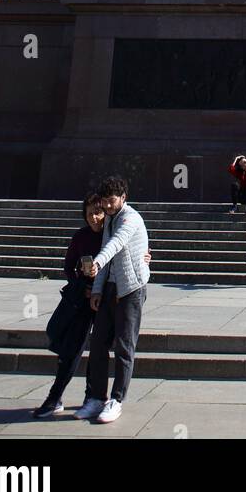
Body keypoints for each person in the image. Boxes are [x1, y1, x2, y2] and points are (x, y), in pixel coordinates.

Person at [79, 176, 151, 424]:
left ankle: (117, 399)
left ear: (123, 198)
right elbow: (108, 259)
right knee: (98, 344)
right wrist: (97, 289)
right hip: (110, 289)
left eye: (111, 201)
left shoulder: (130, 218)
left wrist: (96, 262)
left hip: (130, 290)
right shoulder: (109, 219)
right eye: (104, 202)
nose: (107, 207)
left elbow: (116, 244)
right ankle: (97, 397)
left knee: (123, 346)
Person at [33, 193, 105, 418]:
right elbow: (68, 266)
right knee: (72, 349)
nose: (94, 217)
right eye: (90, 213)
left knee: (99, 350)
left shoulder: (113, 235)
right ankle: (55, 397)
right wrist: (79, 286)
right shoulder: (80, 237)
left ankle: (91, 397)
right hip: (83, 299)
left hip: (105, 299)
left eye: (98, 212)